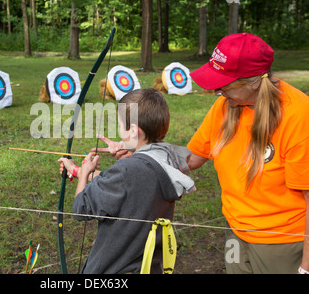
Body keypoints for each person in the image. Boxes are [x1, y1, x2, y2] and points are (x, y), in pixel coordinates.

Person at [97, 33, 309, 274]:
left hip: (282, 241)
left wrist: (305, 266)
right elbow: (192, 158)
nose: (217, 90)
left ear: (253, 82)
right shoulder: (225, 106)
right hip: (235, 231)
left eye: (225, 85)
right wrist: (141, 153)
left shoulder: (297, 115)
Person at [58, 88, 195, 274]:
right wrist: (76, 170)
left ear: (132, 131)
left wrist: (84, 174)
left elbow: (81, 208)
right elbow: (131, 187)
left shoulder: (128, 171)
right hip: (147, 266)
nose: (119, 132)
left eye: (120, 125)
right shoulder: (168, 159)